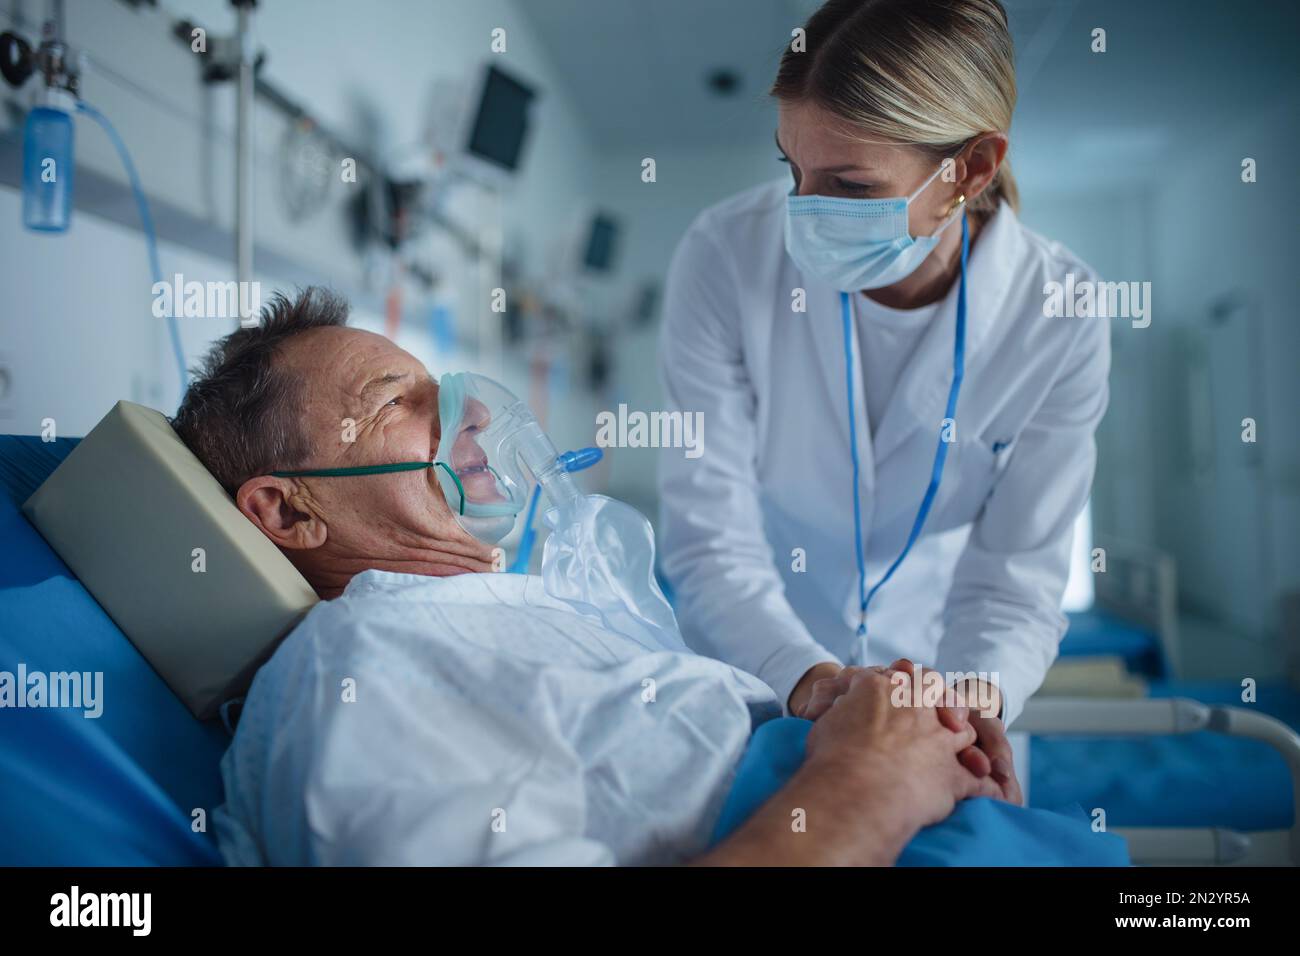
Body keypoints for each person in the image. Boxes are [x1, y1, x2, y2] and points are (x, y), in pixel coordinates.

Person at [172, 288, 998, 866]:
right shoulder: (356, 666)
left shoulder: (517, 604)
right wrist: (871, 782)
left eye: (442, 383)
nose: (479, 412)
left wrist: (832, 719)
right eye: (398, 402)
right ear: (287, 514)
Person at [658, 0, 1110, 803]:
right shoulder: (726, 256)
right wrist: (805, 680)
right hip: (763, 656)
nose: (803, 213)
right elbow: (709, 541)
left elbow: (1015, 577)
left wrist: (971, 700)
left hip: (948, 678)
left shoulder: (1059, 312)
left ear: (968, 170)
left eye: (848, 185)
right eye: (791, 171)